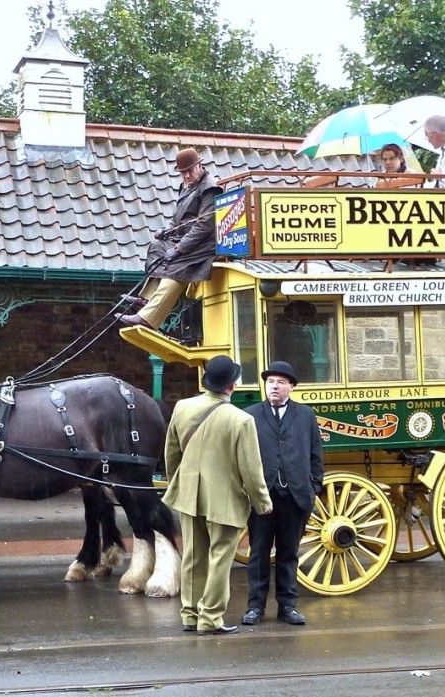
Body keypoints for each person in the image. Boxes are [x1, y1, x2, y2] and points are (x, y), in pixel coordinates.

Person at [162, 355, 273, 635]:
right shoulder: (241, 420)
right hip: (224, 498)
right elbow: (251, 469)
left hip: (188, 494)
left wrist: (180, 482)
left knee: (193, 556)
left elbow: (171, 453)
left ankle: (189, 614)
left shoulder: (182, 407)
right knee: (220, 557)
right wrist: (262, 503)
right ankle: (210, 617)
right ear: (232, 385)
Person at [242, 361, 323, 627]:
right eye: (269, 382)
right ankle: (255, 607)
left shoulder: (305, 415)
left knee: (289, 553)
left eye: (279, 382)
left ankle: (288, 606)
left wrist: (314, 488)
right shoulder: (250, 415)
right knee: (259, 553)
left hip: (295, 495)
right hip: (262, 495)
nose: (273, 387)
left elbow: (315, 455)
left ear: (291, 386)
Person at [117, 147, 223, 330]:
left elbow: (204, 225)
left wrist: (178, 249)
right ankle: (146, 299)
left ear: (200, 165)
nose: (187, 176)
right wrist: (166, 231)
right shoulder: (186, 186)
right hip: (183, 239)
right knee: (157, 247)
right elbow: (178, 219)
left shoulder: (209, 188)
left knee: (176, 268)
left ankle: (148, 318)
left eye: (190, 171)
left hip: (203, 246)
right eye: (183, 173)